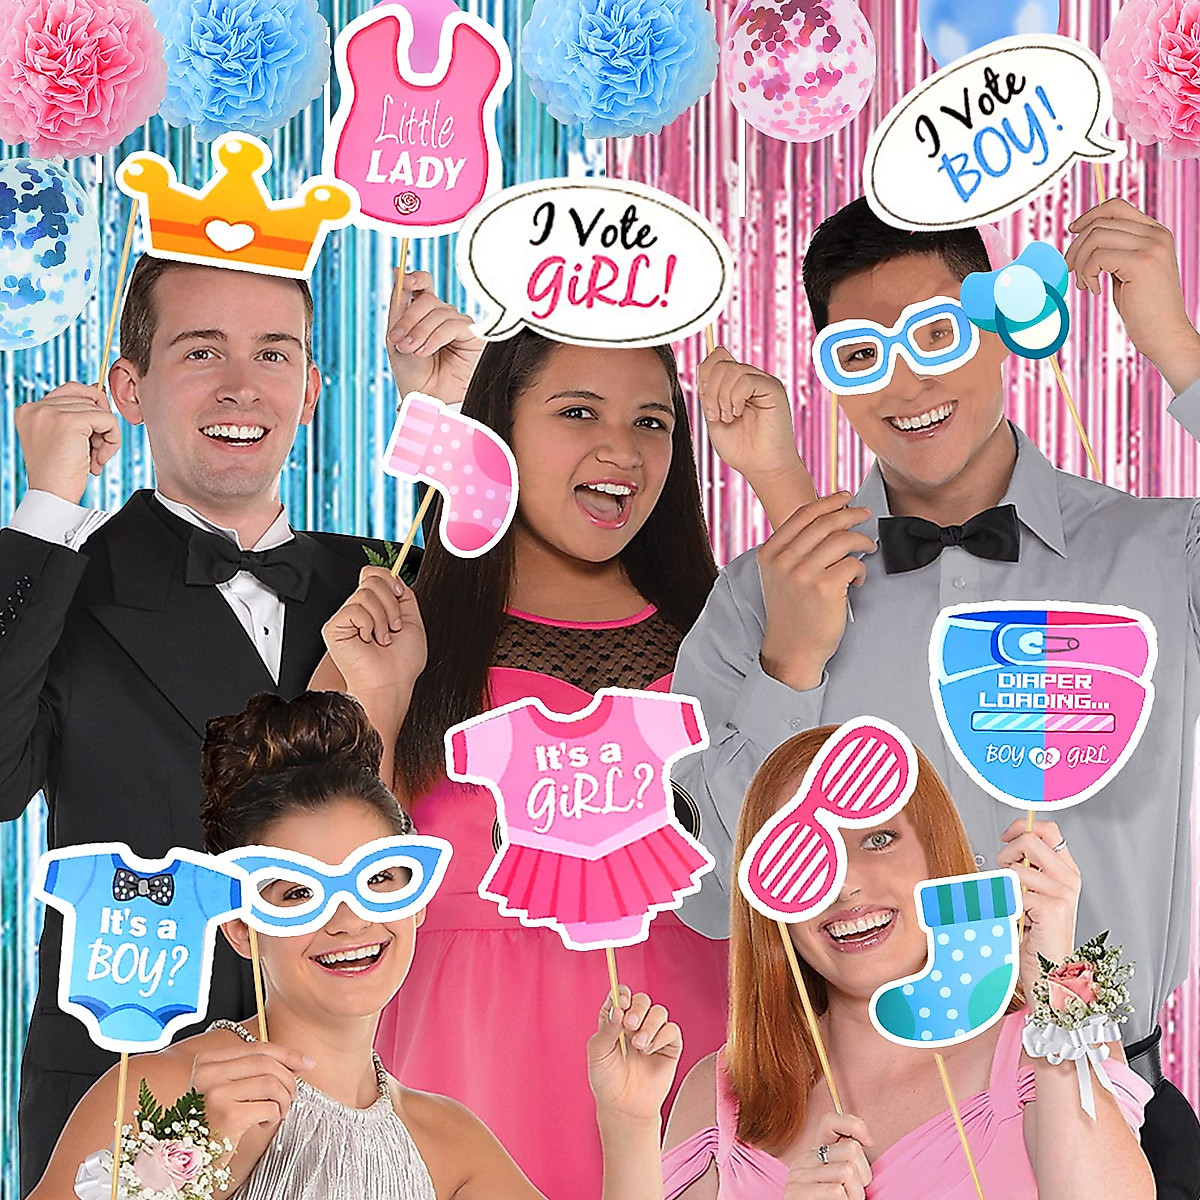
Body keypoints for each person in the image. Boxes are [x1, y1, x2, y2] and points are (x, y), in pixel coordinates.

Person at [670, 197, 1200, 1196]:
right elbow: (706, 902)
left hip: (1103, 1113)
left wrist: (1176, 346)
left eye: (938, 333)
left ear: (1003, 321)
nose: (906, 383)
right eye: (861, 354)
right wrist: (791, 669)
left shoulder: (1159, 555)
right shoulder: (760, 599)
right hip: (850, 1144)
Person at [0, 257, 450, 1192]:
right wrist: (44, 509)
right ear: (128, 389)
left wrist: (442, 419)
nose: (243, 386)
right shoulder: (61, 576)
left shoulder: (383, 576)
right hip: (129, 1091)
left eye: (273, 353)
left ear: (312, 390)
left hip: (364, 1092)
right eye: (202, 351)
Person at [312, 293, 731, 1197]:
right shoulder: (397, 635)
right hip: (465, 1085)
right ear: (496, 427)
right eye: (578, 411)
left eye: (651, 421)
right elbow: (313, 891)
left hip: (694, 1073)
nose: (622, 450)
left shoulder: (726, 631)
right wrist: (381, 697)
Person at [29, 690, 683, 1200]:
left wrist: (629, 1121)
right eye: (297, 893)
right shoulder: (168, 1087)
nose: (348, 920)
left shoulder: (446, 1141)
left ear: (418, 898)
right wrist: (193, 1165)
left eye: (379, 881)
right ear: (240, 927)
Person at [662, 726, 1155, 1199]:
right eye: (801, 852)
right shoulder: (722, 1093)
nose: (844, 883)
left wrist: (1051, 983)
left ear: (936, 854)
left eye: (878, 839)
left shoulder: (1050, 1043)